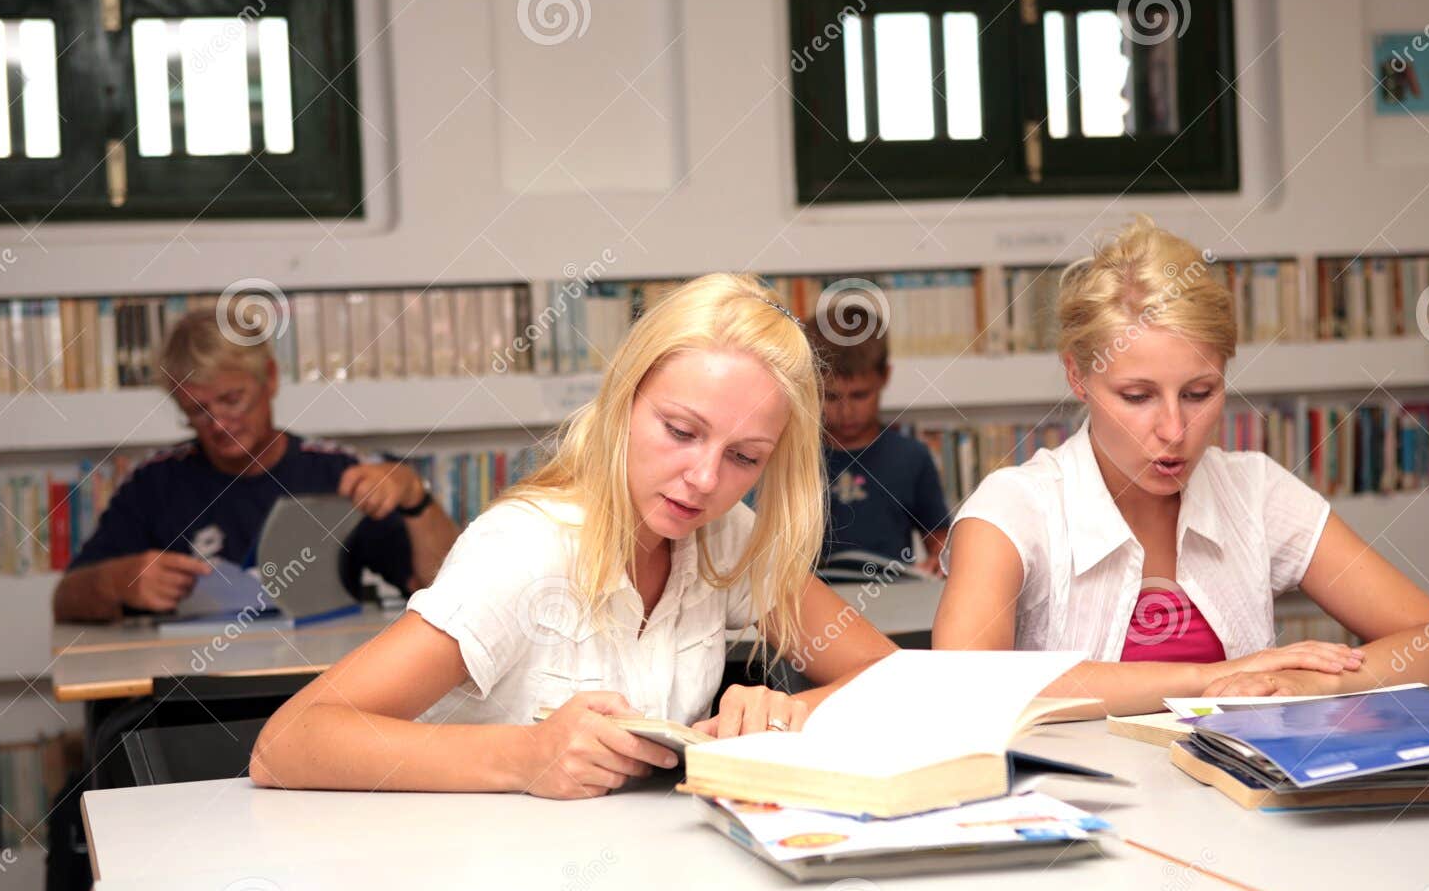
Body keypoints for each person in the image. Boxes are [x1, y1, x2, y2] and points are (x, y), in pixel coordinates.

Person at [250, 273, 898, 797]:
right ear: (623, 399)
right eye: (680, 430)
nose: (704, 479)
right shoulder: (523, 549)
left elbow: (887, 676)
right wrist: (526, 756)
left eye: (744, 457)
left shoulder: (725, 533)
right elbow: (286, 744)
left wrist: (788, 715)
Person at [933, 217, 1429, 715]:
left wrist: (1314, 683)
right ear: (1078, 376)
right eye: (1137, 396)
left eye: (1199, 393)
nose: (1174, 430)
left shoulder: (1255, 490)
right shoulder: (1014, 507)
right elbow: (964, 688)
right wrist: (1210, 678)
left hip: (1244, 811)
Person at [51, 306, 458, 622]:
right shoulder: (153, 483)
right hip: (193, 697)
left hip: (316, 687)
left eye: (231, 400)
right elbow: (66, 601)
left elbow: (446, 592)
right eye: (196, 411)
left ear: (271, 379)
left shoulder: (338, 473)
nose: (218, 425)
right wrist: (117, 582)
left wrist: (414, 499)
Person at [803, 295, 951, 574]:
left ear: (885, 376)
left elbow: (938, 540)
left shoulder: (911, 457)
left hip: (892, 602)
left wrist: (940, 561)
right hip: (808, 604)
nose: (846, 412)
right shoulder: (793, 456)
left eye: (860, 395)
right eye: (832, 397)